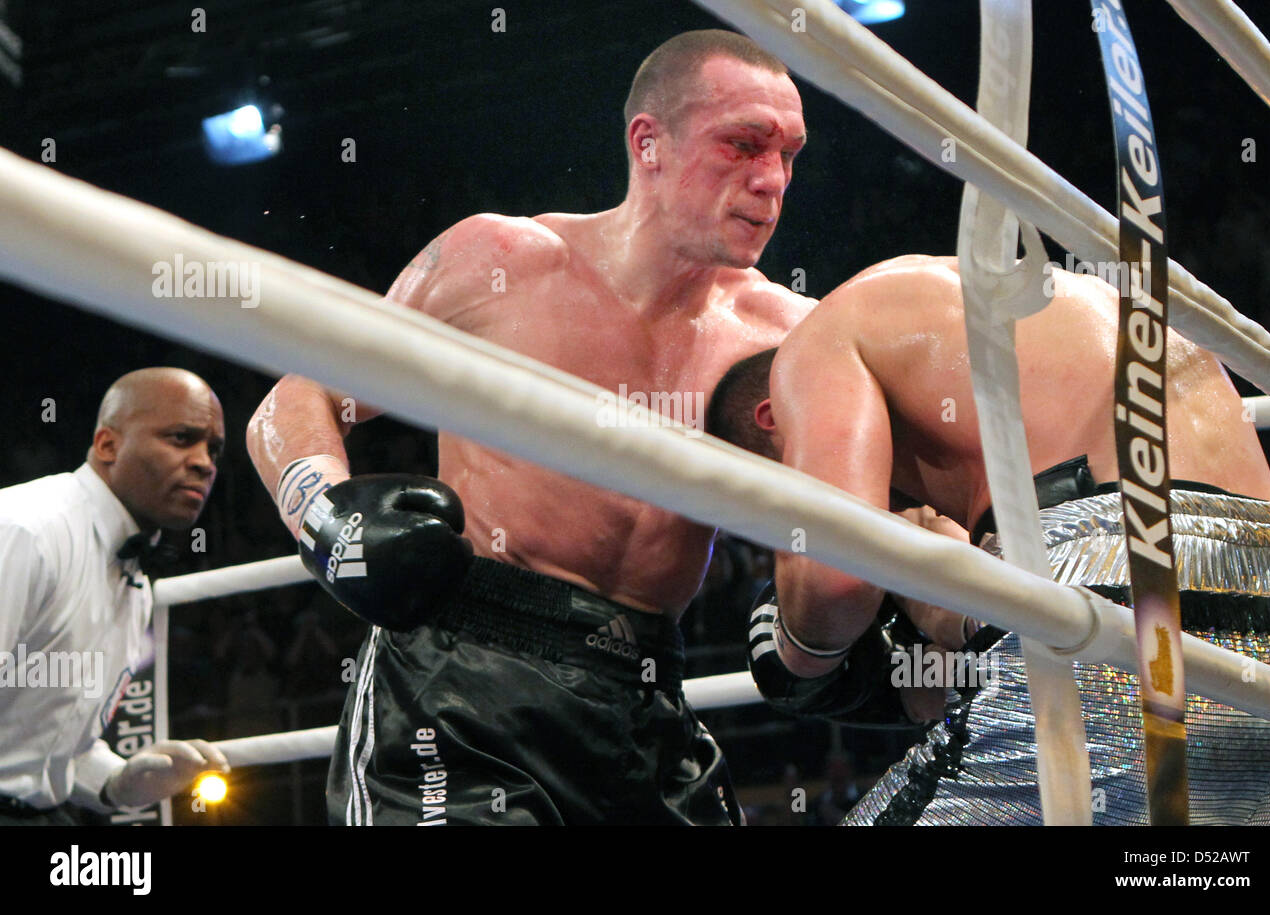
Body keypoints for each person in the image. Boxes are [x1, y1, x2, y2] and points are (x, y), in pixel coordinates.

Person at [246, 30, 815, 825]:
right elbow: (297, 398)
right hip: (463, 683)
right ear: (648, 143)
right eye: (744, 146)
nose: (772, 180)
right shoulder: (502, 261)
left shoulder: (788, 335)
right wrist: (329, 518)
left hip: (646, 695)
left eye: (789, 154)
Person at [708, 255, 1270, 825]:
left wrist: (798, 651)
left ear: (772, 418)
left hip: (1110, 575)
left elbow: (835, 580)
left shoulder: (815, 347)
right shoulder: (1033, 314)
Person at [0, 367, 231, 825]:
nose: (204, 462)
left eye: (214, 448)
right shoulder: (27, 529)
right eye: (182, 438)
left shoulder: (135, 586)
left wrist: (118, 782)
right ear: (108, 445)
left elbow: (55, 746)